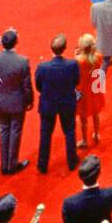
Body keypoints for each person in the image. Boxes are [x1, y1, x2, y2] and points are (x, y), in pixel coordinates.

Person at [0, 28, 33, 175]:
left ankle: (4, 164)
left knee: (3, 130)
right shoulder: (22, 61)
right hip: (17, 103)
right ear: (16, 42)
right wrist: (29, 101)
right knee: (15, 131)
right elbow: (27, 85)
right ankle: (12, 164)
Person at [34, 33, 80, 175]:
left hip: (48, 104)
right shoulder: (72, 65)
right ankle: (72, 161)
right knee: (70, 132)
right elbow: (76, 82)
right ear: (65, 48)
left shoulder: (42, 67)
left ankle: (42, 164)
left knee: (45, 134)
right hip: (67, 103)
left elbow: (38, 86)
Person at [75, 33, 104, 149]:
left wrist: (76, 56)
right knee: (96, 113)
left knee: (83, 117)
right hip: (96, 89)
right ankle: (97, 134)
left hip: (83, 92)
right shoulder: (99, 57)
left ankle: (85, 140)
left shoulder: (79, 61)